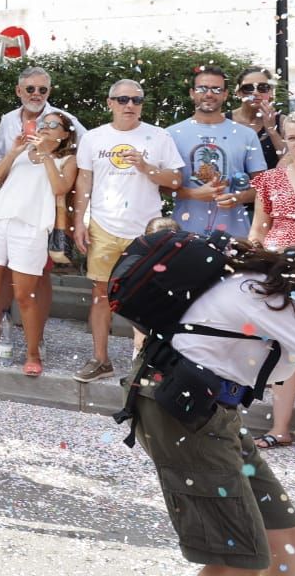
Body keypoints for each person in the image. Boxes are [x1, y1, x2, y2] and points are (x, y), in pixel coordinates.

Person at [126, 240, 295, 576]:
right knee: (239, 560)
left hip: (205, 407)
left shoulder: (282, 287)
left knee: (282, 536)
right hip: (183, 409)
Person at [71, 79, 182, 383]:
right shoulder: (93, 138)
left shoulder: (159, 137)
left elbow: (175, 180)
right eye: (122, 99)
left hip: (146, 229)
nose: (129, 105)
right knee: (100, 294)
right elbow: (84, 181)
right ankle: (100, 360)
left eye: (136, 100)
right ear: (110, 103)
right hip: (103, 226)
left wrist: (146, 167)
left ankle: (144, 363)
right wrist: (79, 220)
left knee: (147, 296)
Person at [0, 111, 78, 375]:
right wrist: (13, 152)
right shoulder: (21, 153)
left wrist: (46, 156)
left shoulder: (67, 159)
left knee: (25, 295)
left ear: (65, 134)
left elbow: (60, 188)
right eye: (43, 123)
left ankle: (32, 354)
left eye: (53, 124)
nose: (45, 127)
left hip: (31, 227)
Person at [248, 109, 295, 453]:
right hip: (277, 274)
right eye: (291, 137)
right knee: (282, 351)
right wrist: (255, 258)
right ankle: (280, 430)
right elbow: (259, 228)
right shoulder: (271, 180)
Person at [167, 65, 267, 239]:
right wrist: (193, 194)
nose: (209, 94)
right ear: (192, 93)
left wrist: (237, 198)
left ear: (225, 94)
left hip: (234, 236)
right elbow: (161, 187)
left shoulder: (246, 135)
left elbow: (263, 187)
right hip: (184, 234)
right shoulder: (171, 134)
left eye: (216, 89)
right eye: (202, 88)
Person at [232, 66, 285, 170]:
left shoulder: (283, 122)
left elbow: (292, 163)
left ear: (271, 92)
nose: (255, 93)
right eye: (248, 88)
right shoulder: (224, 120)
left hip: (270, 180)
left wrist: (272, 131)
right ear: (239, 92)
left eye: (263, 87)